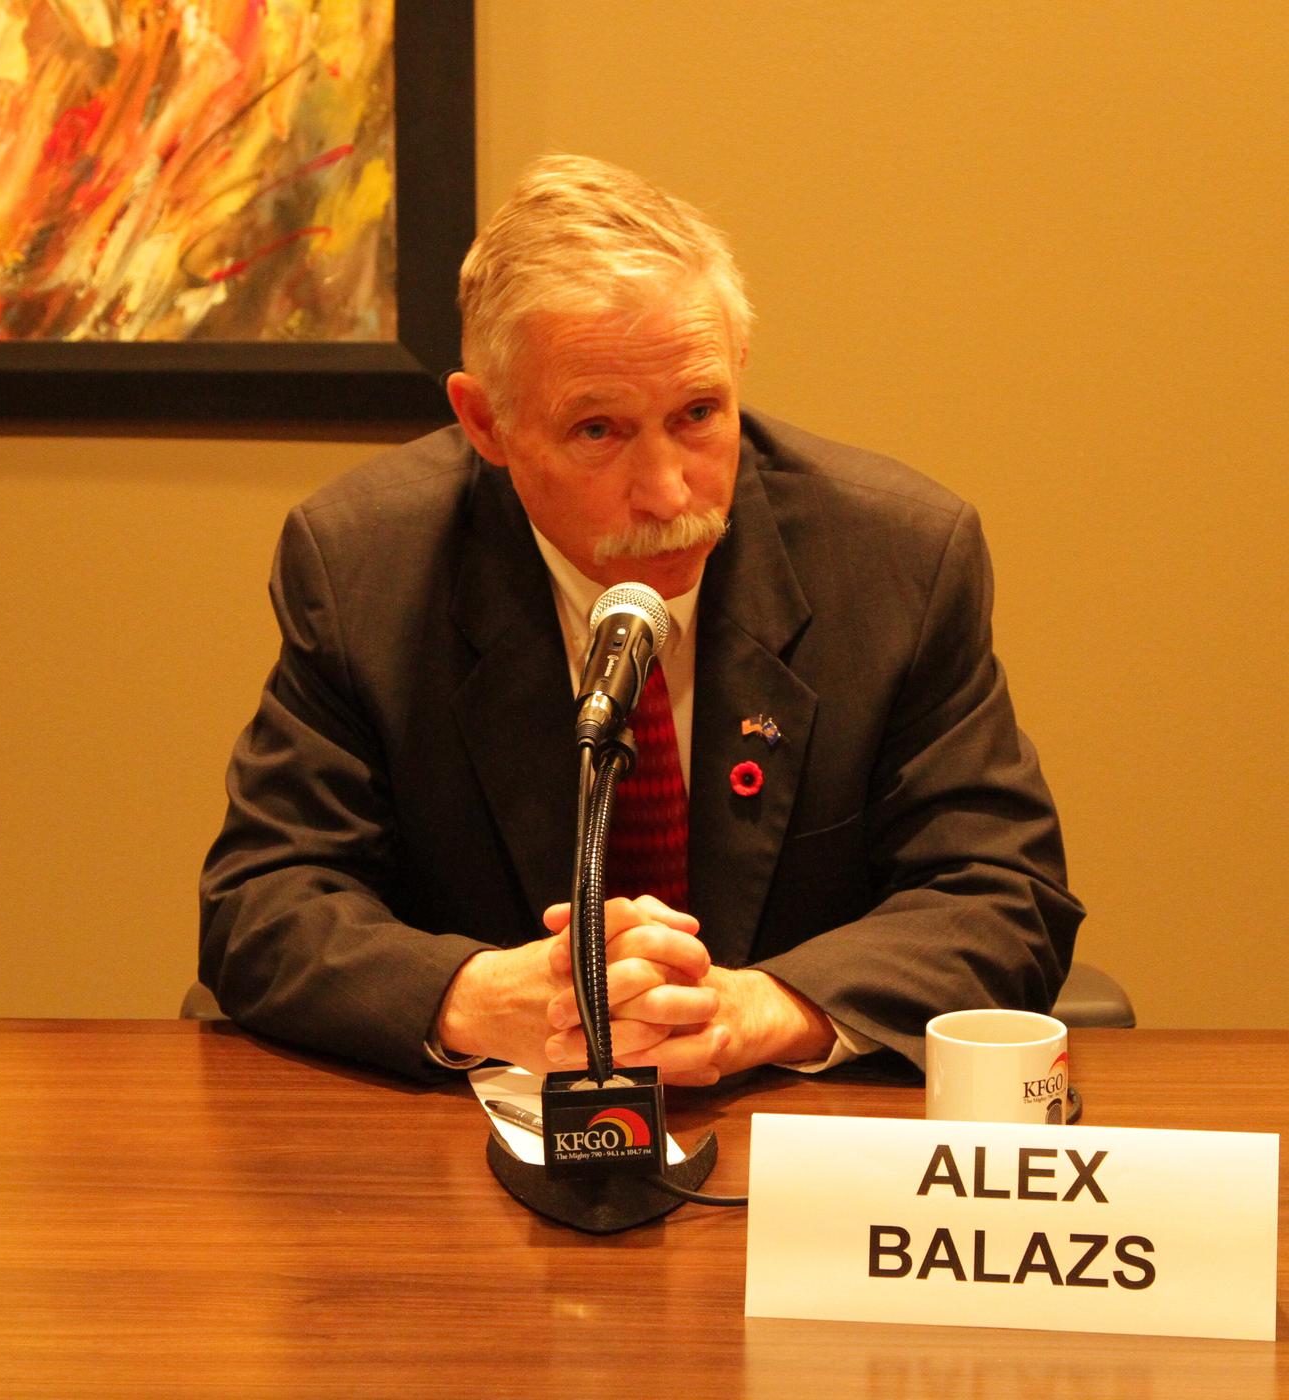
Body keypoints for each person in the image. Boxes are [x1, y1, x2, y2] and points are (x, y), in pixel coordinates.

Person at [199, 155, 1083, 1086]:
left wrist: (763, 1010)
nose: (668, 494)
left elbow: (1003, 896)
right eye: (598, 430)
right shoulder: (364, 567)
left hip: (792, 1130)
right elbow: (264, 901)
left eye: (698, 413)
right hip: (475, 1132)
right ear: (486, 422)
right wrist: (478, 995)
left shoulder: (897, 561)